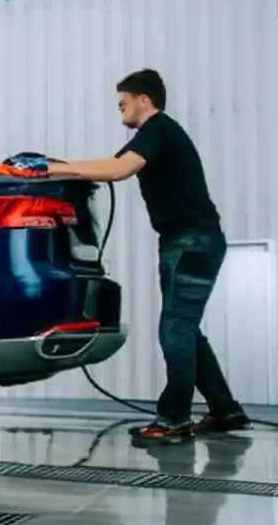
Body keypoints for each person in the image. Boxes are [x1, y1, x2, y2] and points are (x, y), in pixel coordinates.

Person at [42, 69, 250, 442]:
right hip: (188, 240)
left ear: (144, 100)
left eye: (123, 102)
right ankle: (226, 410)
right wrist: (59, 167)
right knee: (186, 329)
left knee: (175, 329)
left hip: (190, 241)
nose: (119, 107)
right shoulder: (154, 135)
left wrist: (47, 169)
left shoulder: (158, 129)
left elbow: (119, 169)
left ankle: (174, 420)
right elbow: (108, 165)